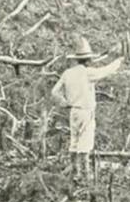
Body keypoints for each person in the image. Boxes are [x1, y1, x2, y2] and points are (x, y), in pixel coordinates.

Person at [50, 36, 123, 180]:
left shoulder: (68, 73)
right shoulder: (88, 72)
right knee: (85, 143)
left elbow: (54, 92)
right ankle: (86, 174)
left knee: (74, 141)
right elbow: (105, 71)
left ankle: (76, 173)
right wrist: (119, 61)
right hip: (85, 111)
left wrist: (64, 102)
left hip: (73, 111)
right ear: (88, 60)